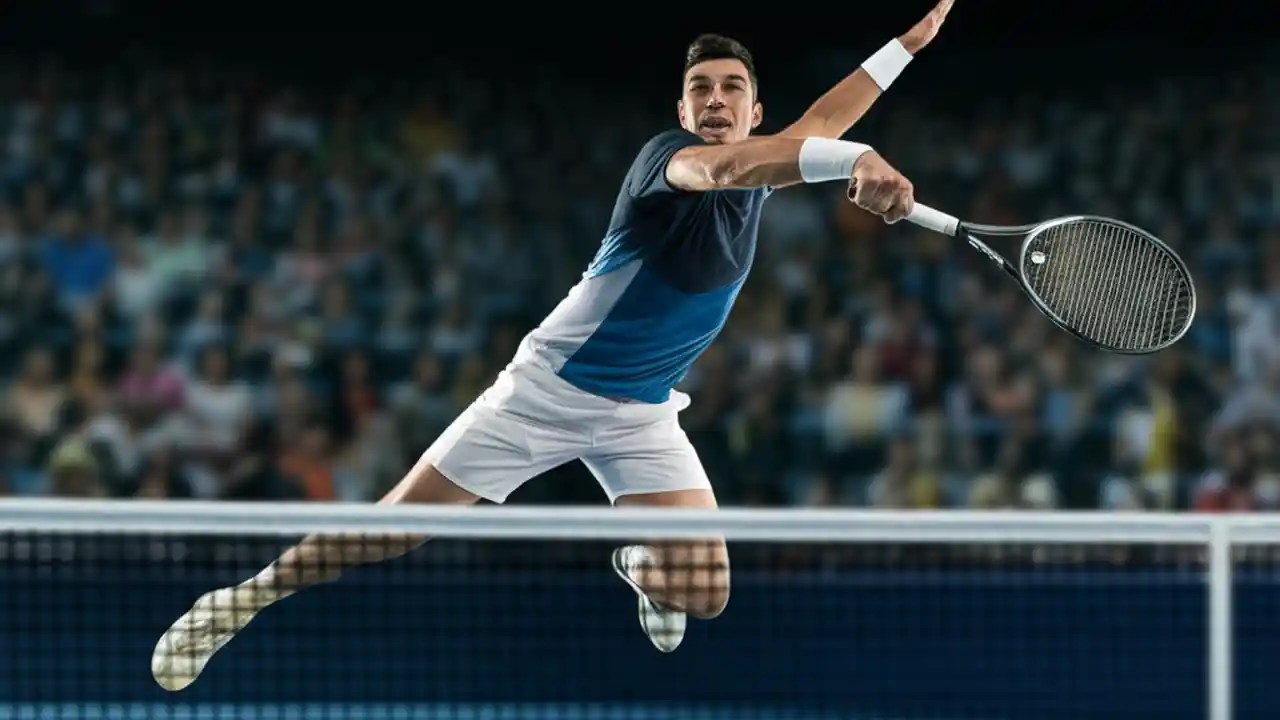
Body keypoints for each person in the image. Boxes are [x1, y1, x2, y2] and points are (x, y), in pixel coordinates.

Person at [150, 0, 954, 690]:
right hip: (545, 392)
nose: (715, 99)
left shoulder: (774, 164)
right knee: (387, 531)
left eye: (731, 89)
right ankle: (241, 600)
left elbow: (817, 125)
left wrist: (902, 52)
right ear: (684, 113)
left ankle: (638, 566)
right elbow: (735, 168)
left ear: (754, 104)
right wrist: (856, 160)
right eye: (699, 89)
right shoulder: (669, 163)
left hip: (641, 412)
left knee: (706, 592)